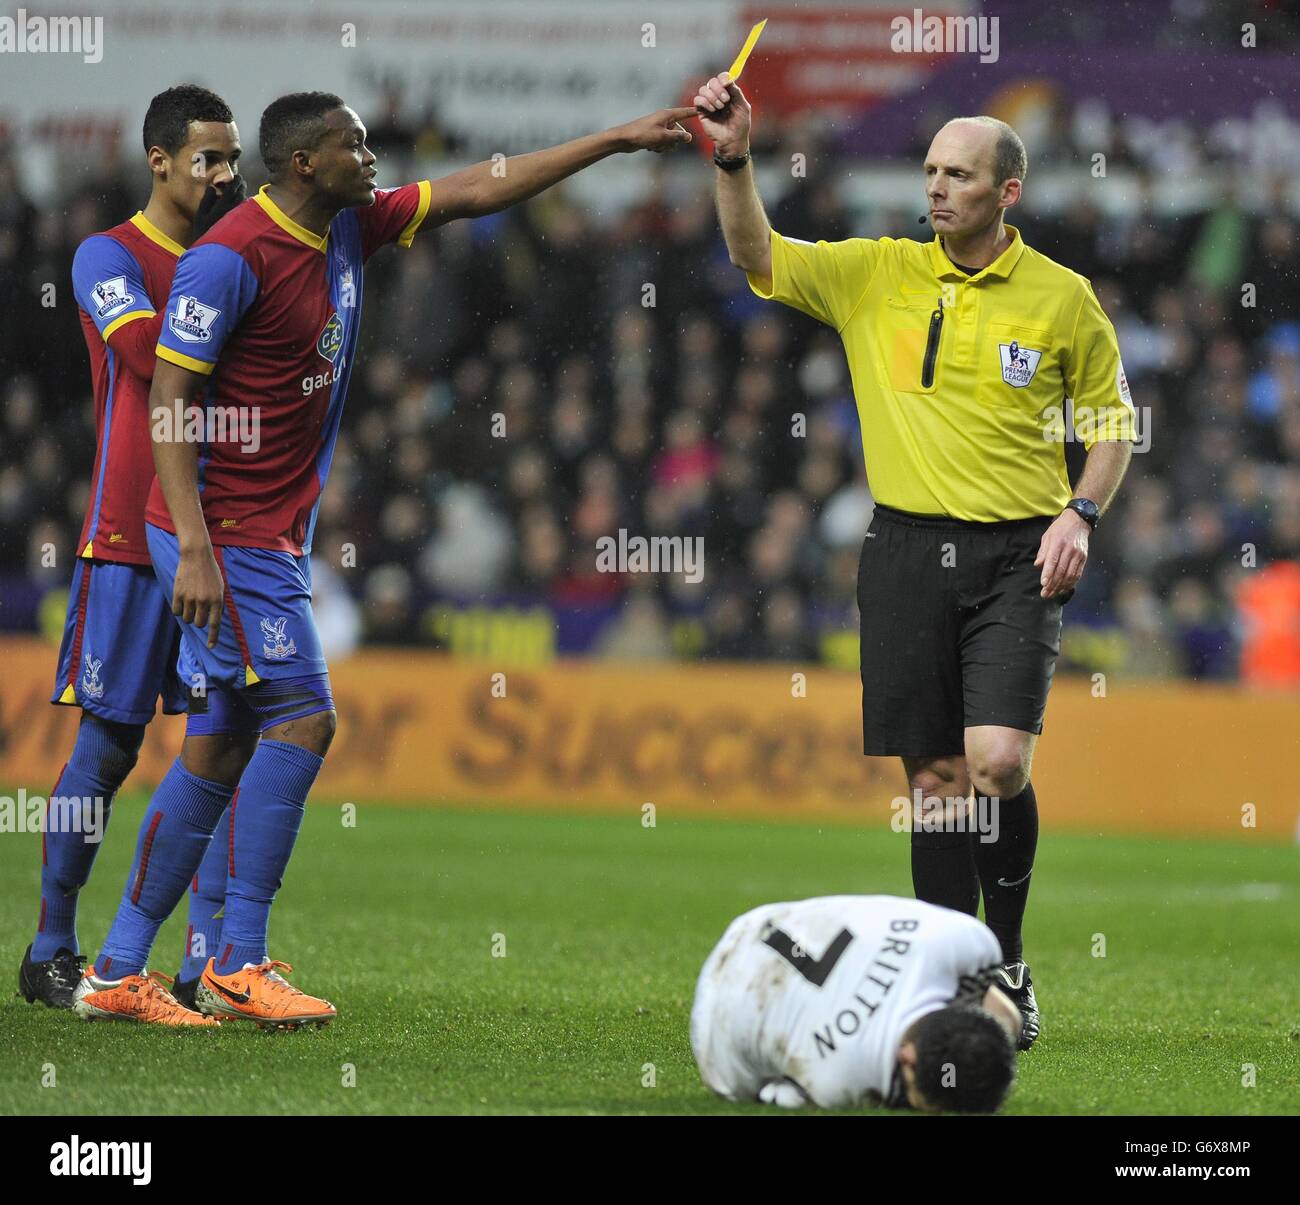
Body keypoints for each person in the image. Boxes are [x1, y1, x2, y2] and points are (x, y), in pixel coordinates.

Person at [73, 91, 699, 1028]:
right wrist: (194, 548)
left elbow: (476, 189)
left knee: (221, 739)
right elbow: (168, 395)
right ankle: (236, 959)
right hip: (224, 531)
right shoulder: (227, 259)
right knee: (305, 718)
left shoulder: (348, 225)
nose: (371, 158)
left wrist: (615, 139)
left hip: (267, 531)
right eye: (351, 145)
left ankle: (121, 967)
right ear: (300, 164)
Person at [694, 71, 1137, 1048]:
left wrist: (1081, 512)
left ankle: (1007, 960)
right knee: (934, 786)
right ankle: (952, 978)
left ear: (1006, 192)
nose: (936, 189)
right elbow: (754, 253)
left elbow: (1112, 424)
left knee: (996, 760)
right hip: (900, 551)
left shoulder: (1061, 300)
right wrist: (733, 158)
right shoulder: (874, 272)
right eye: (930, 170)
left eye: (960, 175)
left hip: (1020, 550)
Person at [19, 85, 243, 1024]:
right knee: (108, 746)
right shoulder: (106, 255)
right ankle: (51, 947)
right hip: (126, 532)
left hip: (222, 529)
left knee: (228, 738)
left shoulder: (240, 256)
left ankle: (209, 957)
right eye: (208, 159)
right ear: (160, 160)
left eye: (234, 160)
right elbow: (150, 352)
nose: (226, 175)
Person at [691, 895, 1021, 1111]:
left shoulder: (967, 940)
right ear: (906, 1057)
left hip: (760, 922)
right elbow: (1005, 1018)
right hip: (714, 1037)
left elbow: (1007, 1020)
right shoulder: (844, 1082)